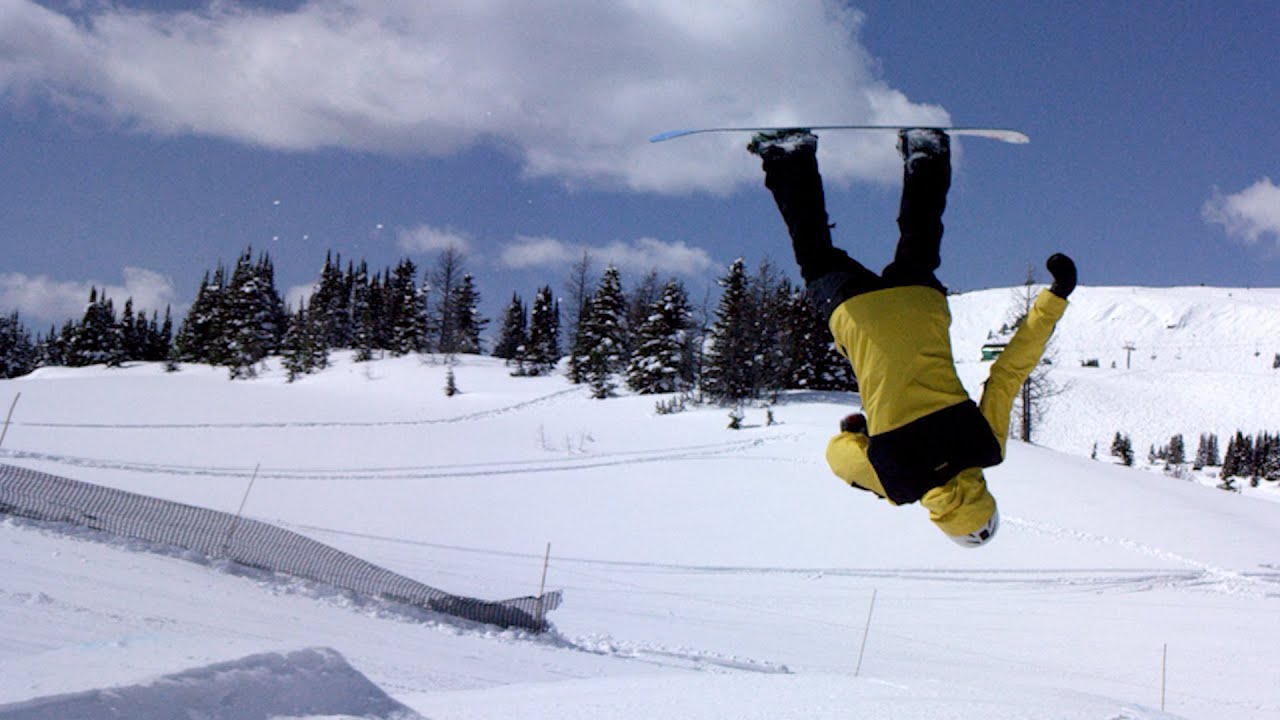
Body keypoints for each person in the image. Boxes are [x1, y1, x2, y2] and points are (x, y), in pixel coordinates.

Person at [748, 127, 1076, 547]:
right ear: (941, 521)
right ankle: (787, 154)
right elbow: (837, 456)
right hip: (860, 318)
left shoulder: (986, 448)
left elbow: (1010, 372)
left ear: (987, 500)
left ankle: (927, 152)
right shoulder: (896, 484)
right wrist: (855, 434)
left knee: (920, 241)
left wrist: (1055, 297)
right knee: (814, 252)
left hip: (920, 307)